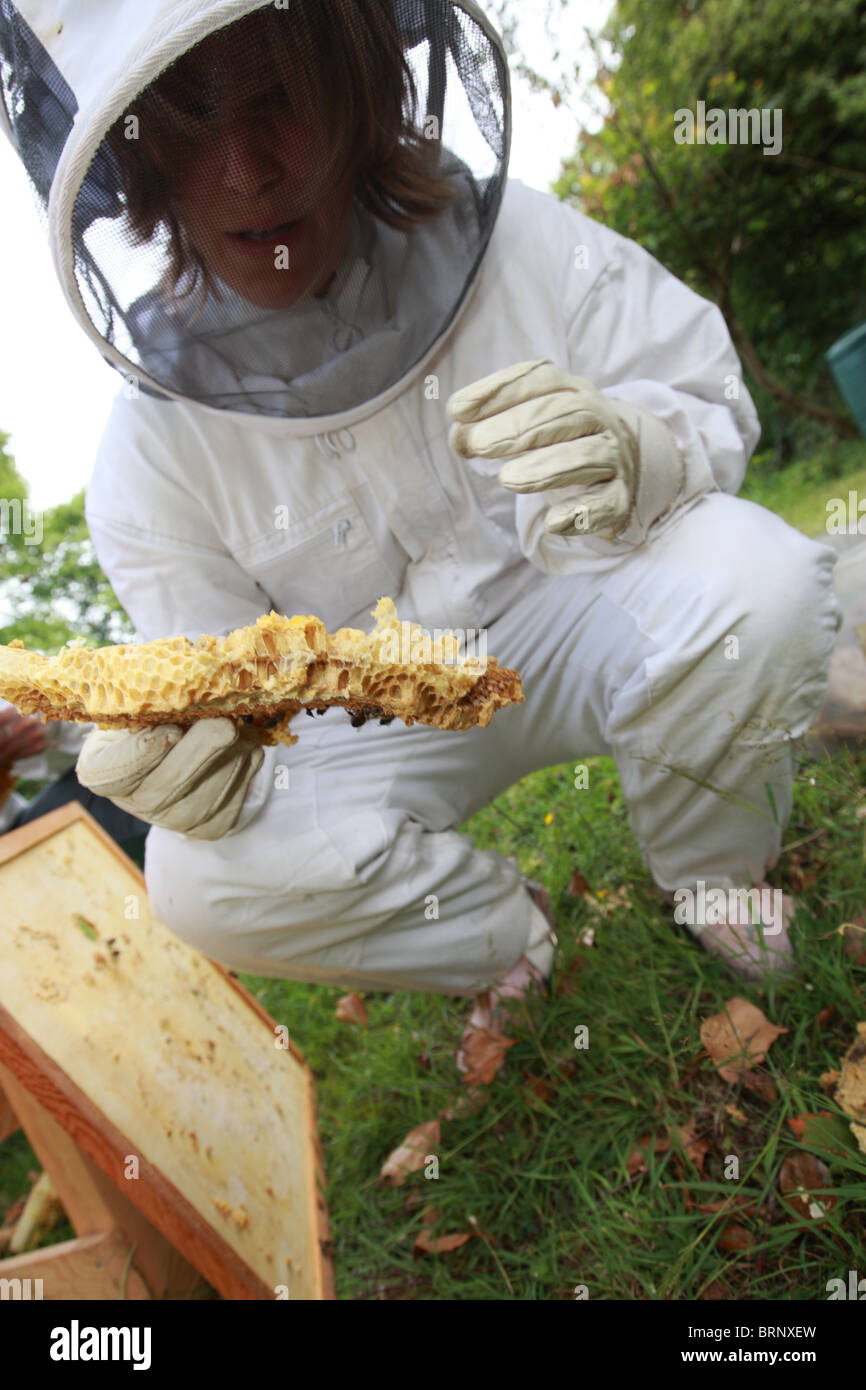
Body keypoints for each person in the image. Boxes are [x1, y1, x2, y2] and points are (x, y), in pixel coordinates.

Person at [0, 3, 841, 1046]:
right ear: (140, 175)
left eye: (275, 97)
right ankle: (500, 936)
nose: (249, 168)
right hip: (373, 715)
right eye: (186, 129)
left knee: (755, 583)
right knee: (197, 875)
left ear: (352, 86)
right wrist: (197, 752)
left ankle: (712, 879)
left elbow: (696, 387)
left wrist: (643, 448)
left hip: (583, 613)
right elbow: (217, 687)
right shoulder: (150, 457)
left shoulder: (520, 240)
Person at [0, 699, 149, 856]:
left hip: (20, 829)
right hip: (12, 847)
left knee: (120, 766)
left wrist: (47, 718)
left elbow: (90, 744)